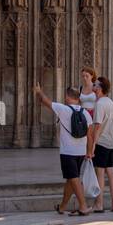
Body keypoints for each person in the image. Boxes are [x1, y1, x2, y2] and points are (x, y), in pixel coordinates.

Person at [33, 82, 94, 216]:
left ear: (67, 97)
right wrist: (89, 152)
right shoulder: (86, 114)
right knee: (71, 180)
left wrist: (39, 91)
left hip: (68, 152)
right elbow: (90, 135)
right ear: (79, 98)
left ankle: (83, 206)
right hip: (81, 152)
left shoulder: (63, 109)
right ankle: (62, 207)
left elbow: (45, 101)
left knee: (74, 178)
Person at [87, 75, 113, 212]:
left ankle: (99, 204)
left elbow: (97, 126)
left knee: (100, 172)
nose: (93, 86)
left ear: (99, 88)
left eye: (95, 84)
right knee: (111, 172)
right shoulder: (110, 102)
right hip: (111, 141)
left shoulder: (100, 104)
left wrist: (92, 145)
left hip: (102, 142)